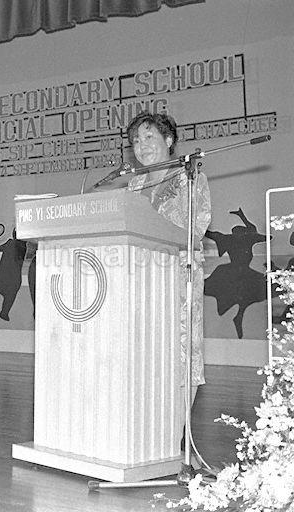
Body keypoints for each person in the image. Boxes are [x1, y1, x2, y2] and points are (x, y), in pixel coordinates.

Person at [126, 111, 211, 394]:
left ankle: (178, 435)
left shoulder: (189, 177)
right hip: (140, 280)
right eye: (137, 140)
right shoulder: (134, 185)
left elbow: (195, 230)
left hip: (178, 278)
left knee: (182, 355)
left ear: (169, 139)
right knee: (146, 356)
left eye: (150, 137)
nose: (142, 145)